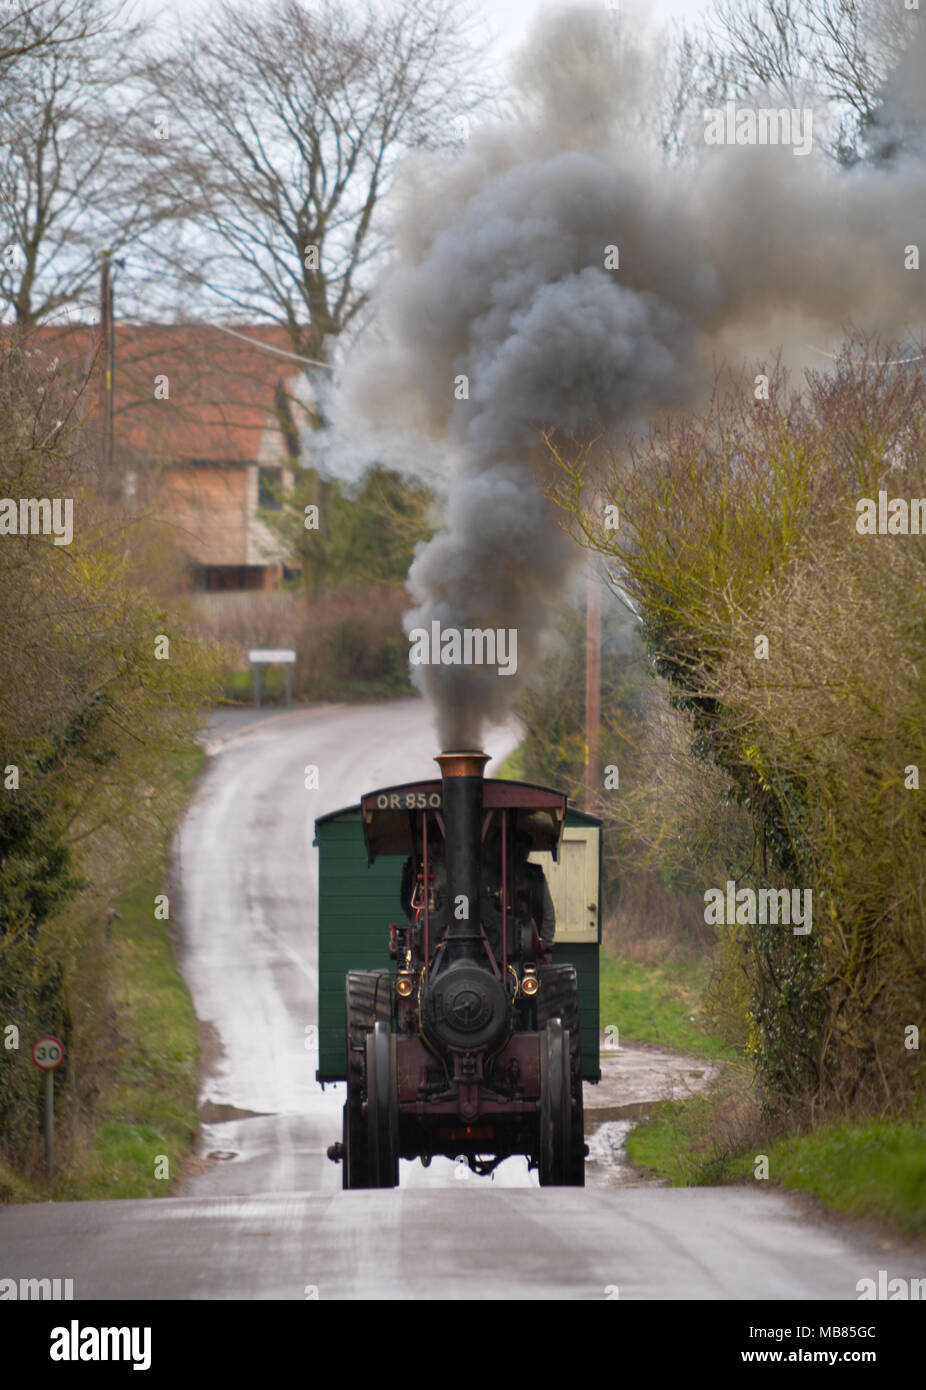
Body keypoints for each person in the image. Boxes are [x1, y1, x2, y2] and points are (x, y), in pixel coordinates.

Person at [511, 828, 555, 963]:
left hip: (530, 946)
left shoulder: (535, 875)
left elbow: (548, 913)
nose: (520, 852)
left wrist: (545, 946)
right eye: (516, 847)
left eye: (523, 848)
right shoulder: (493, 873)